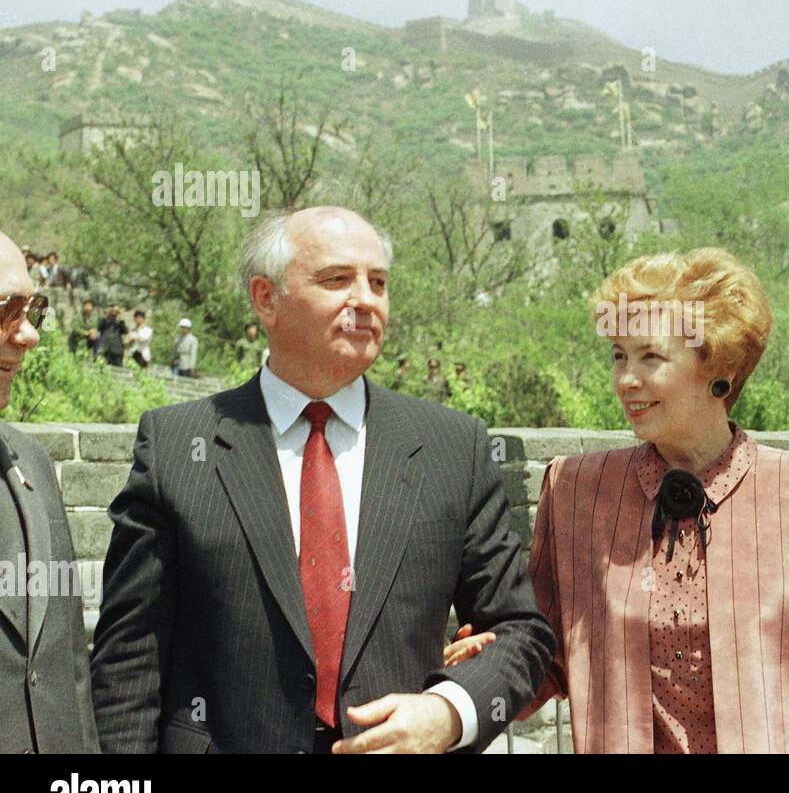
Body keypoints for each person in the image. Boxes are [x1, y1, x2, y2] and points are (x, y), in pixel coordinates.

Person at [91, 206, 554, 754]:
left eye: (378, 282)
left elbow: (522, 632)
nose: (365, 300)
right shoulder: (177, 446)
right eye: (337, 279)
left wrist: (448, 711)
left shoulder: (452, 447)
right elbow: (128, 657)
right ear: (267, 298)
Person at [447, 248, 789, 753]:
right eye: (618, 356)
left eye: (651, 357)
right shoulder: (577, 492)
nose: (627, 379)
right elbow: (542, 657)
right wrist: (484, 667)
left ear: (720, 367)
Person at [0, 231, 100, 753]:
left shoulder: (30, 461)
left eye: (33, 310)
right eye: (6, 310)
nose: (28, 336)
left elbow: (69, 669)